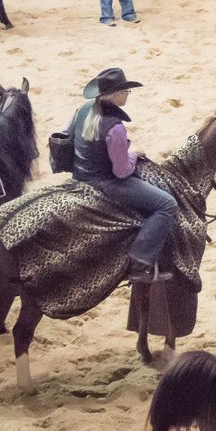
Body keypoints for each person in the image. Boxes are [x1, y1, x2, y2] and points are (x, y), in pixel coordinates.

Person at [68, 68, 177, 283]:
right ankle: (139, 263)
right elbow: (121, 171)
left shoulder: (83, 110)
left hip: (81, 176)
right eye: (126, 91)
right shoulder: (114, 127)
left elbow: (67, 138)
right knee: (166, 204)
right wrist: (134, 155)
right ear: (116, 95)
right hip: (104, 183)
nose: (128, 94)